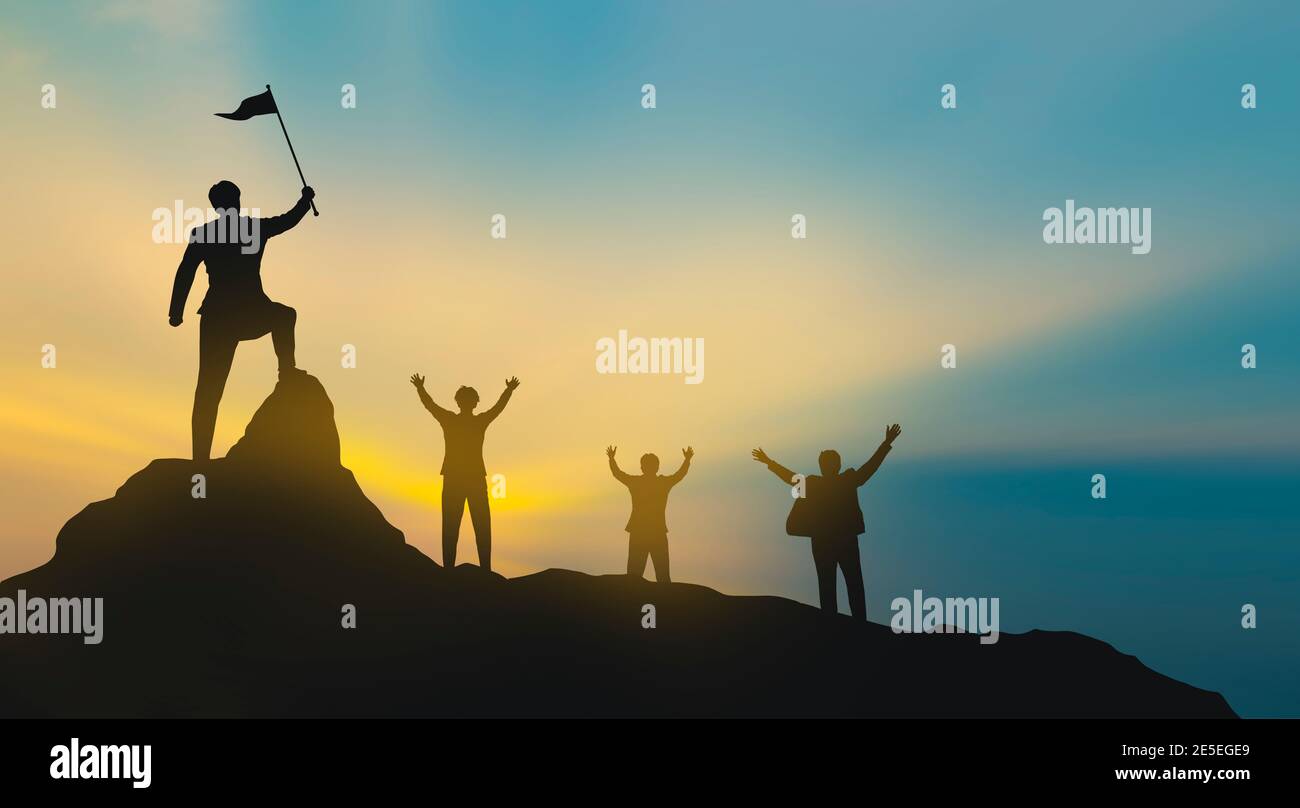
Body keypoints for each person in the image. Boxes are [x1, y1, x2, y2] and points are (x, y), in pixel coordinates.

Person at [169, 181, 315, 460]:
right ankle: (287, 372)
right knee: (284, 316)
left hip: (218, 317)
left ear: (215, 205)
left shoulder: (204, 233)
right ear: (237, 200)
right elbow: (288, 221)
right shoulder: (253, 227)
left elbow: (185, 272)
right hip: (247, 312)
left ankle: (200, 460)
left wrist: (176, 311)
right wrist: (305, 200)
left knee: (209, 387)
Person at [752, 424, 901, 620]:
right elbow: (868, 468)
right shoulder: (845, 480)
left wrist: (769, 462)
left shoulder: (814, 484)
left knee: (828, 585)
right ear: (836, 465)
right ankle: (856, 626)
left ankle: (833, 625)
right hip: (844, 540)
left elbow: (790, 478)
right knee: (852, 584)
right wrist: (886, 444)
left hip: (824, 541)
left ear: (825, 466)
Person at [411, 373, 519, 571]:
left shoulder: (453, 420)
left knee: (458, 524)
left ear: (460, 402)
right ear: (473, 403)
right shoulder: (474, 421)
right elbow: (497, 409)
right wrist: (508, 391)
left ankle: (452, 570)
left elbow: (431, 405)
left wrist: (420, 388)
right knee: (478, 524)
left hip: (460, 478)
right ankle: (480, 569)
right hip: (467, 478)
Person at [606, 445, 693, 583]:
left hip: (643, 532)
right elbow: (679, 475)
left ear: (642, 467)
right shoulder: (661, 483)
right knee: (655, 576)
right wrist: (687, 460)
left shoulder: (638, 482)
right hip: (652, 532)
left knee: (637, 575)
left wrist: (611, 459)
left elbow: (617, 473)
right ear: (656, 467)